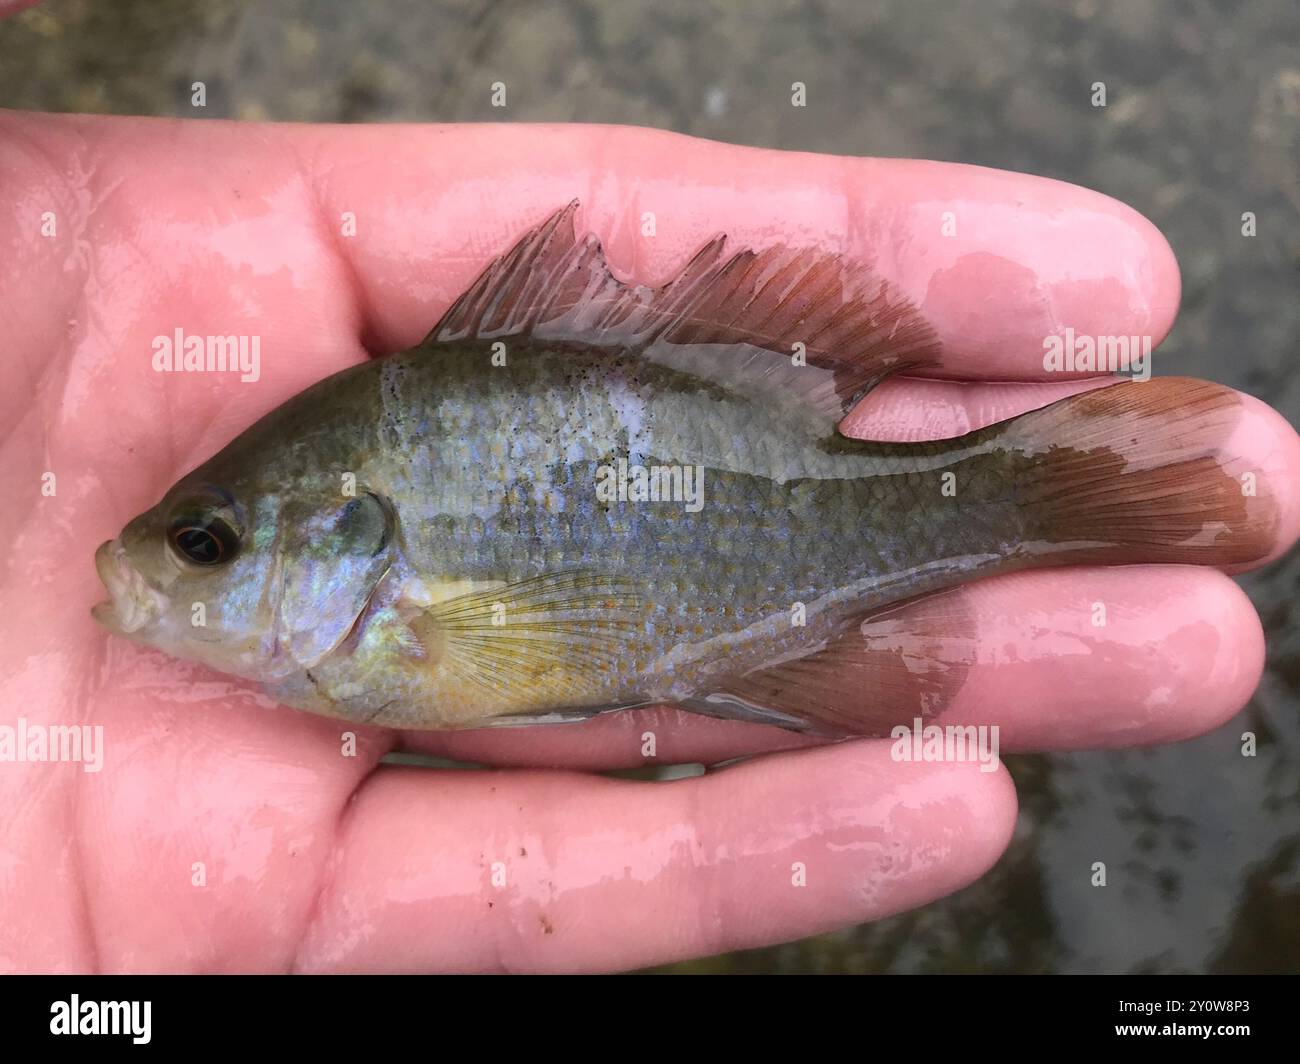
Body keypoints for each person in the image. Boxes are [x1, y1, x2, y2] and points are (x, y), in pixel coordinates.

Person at [1, 113, 1296, 973]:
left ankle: (1046, 491)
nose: (160, 569)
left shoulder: (381, 642)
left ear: (350, 535)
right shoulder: (363, 645)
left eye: (206, 544)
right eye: (199, 542)